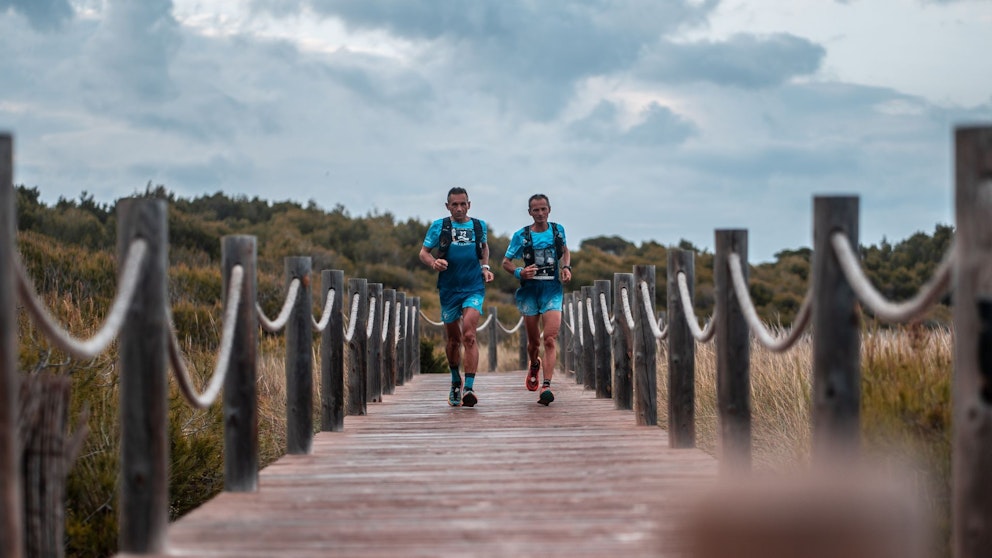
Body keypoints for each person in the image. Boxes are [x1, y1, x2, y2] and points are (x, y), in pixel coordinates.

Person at [419, 187, 495, 407]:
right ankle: (455, 381)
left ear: (469, 204)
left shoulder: (479, 225)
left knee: (469, 334)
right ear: (447, 206)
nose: (459, 208)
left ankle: (469, 388)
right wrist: (434, 262)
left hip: (474, 287)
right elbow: (423, 252)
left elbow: (484, 247)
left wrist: (485, 267)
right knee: (453, 340)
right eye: (455, 205)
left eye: (463, 204)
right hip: (449, 289)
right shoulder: (439, 226)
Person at [501, 194, 572, 406]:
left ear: (549, 209)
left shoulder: (558, 231)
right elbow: (506, 262)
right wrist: (519, 272)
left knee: (550, 339)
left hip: (552, 290)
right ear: (530, 212)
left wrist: (566, 267)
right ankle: (534, 364)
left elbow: (565, 251)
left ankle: (547, 386)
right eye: (536, 210)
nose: (540, 213)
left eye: (543, 209)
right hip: (529, 292)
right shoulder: (521, 236)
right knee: (533, 343)